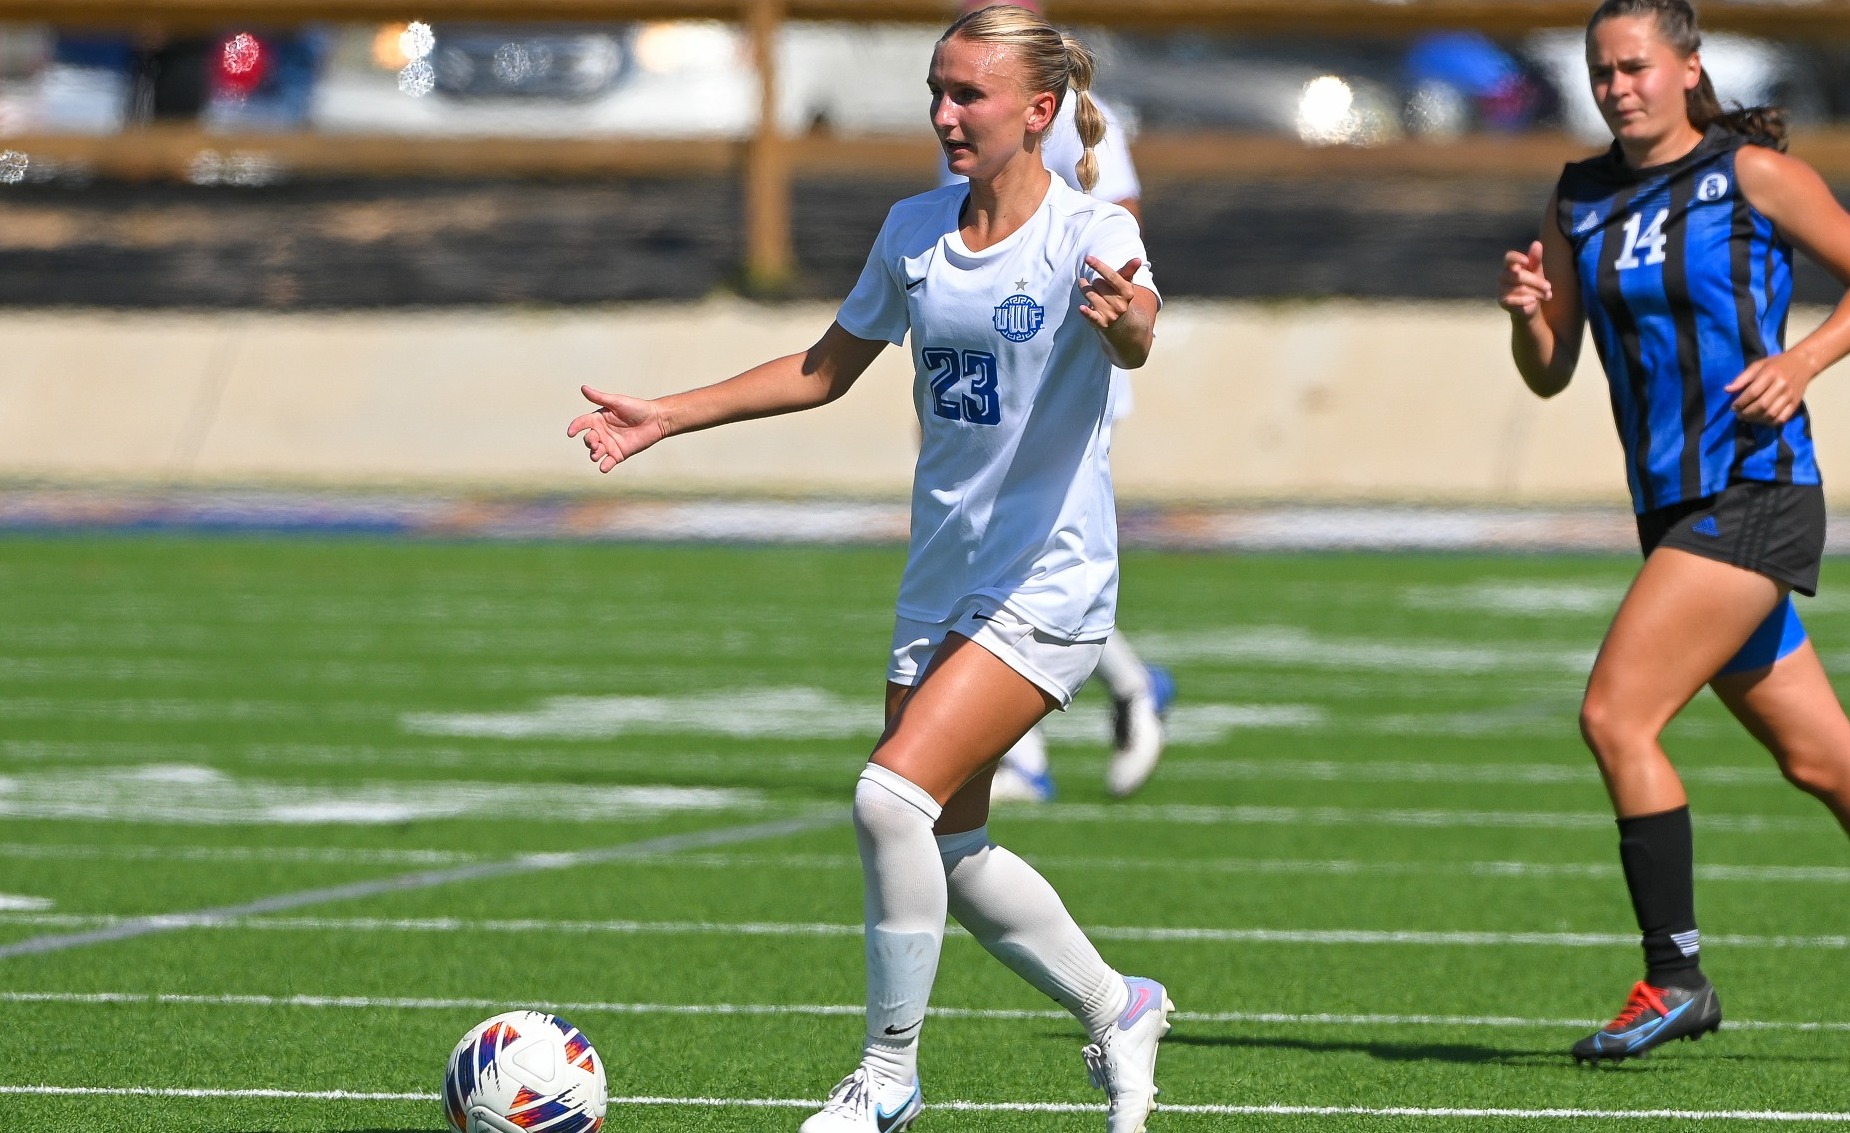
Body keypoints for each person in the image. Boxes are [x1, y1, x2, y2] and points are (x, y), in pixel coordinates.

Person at [569, 6, 1173, 1128]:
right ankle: (1117, 1003)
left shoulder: (1090, 230)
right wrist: (667, 415)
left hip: (1048, 582)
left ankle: (887, 1076)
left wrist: (1127, 325)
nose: (944, 114)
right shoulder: (913, 229)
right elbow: (824, 367)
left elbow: (1136, 321)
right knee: (948, 840)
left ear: (1038, 111)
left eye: (968, 94)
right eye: (936, 91)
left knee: (886, 795)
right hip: (940, 577)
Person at [1498, 0, 1850, 1065]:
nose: (1617, 88)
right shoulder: (1578, 194)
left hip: (1753, 488)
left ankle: (1676, 975)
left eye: (1636, 67)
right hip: (1670, 507)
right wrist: (1528, 316)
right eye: (1601, 71)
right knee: (1824, 762)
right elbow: (1550, 372)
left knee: (1616, 715)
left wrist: (1802, 361)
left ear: (1688, 69)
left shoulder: (1749, 175)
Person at [935, 0, 1174, 805]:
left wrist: (1092, 310)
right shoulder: (961, 95)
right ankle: (1127, 688)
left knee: (1026, 555)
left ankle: (1028, 751)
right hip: (980, 367)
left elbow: (1118, 229)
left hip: (1056, 363)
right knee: (984, 548)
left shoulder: (1053, 106)